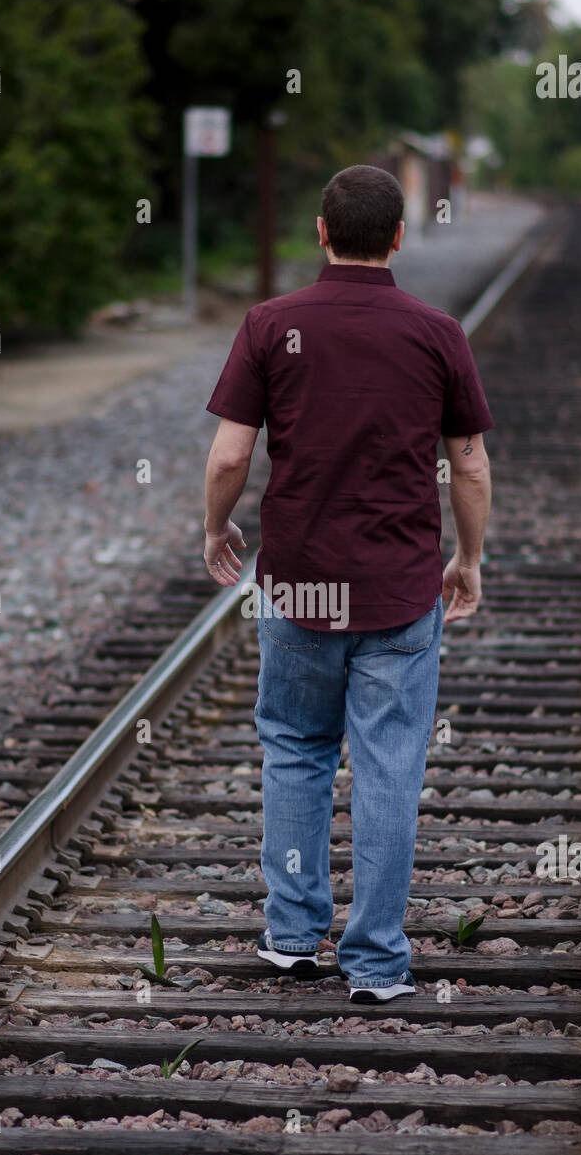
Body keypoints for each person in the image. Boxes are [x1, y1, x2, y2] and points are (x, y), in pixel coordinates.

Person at [202, 163, 492, 1003]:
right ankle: (373, 962)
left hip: (297, 585)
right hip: (400, 590)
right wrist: (466, 561)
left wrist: (217, 527)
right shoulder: (436, 332)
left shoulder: (270, 324)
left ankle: (293, 938)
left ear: (321, 233)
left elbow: (229, 454)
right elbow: (467, 464)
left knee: (294, 751)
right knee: (389, 768)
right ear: (398, 237)